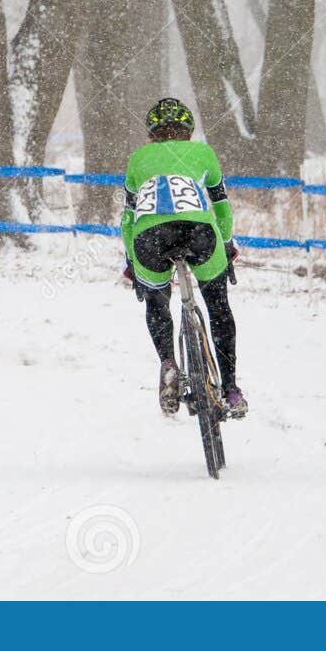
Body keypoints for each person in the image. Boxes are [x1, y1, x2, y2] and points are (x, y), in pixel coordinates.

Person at [120, 97, 246, 419]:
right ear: (188, 131)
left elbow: (127, 220)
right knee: (218, 308)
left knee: (157, 302)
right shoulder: (204, 153)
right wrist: (227, 244)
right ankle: (231, 390)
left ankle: (168, 363)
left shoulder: (137, 160)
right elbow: (222, 209)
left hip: (149, 239)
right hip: (199, 233)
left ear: (152, 133)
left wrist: (132, 262)